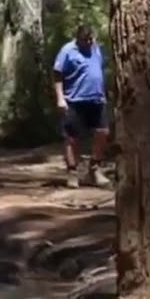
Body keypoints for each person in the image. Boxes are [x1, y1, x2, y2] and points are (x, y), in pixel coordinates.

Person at [52, 25, 110, 189]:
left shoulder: (96, 49)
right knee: (72, 137)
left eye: (91, 39)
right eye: (86, 40)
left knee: (103, 132)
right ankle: (72, 171)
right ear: (77, 39)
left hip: (97, 99)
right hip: (74, 100)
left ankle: (95, 168)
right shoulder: (67, 51)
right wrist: (60, 98)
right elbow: (57, 75)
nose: (89, 42)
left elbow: (98, 71)